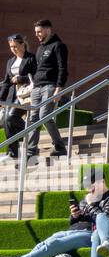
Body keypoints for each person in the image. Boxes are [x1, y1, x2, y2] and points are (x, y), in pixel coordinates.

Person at [28, 19, 69, 157]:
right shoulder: (40, 48)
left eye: (39, 31)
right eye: (36, 32)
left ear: (48, 30)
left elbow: (63, 69)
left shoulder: (59, 46)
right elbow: (38, 69)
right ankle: (30, 150)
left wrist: (59, 88)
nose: (37, 34)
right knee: (33, 118)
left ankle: (59, 146)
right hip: (37, 88)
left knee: (44, 116)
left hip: (50, 86)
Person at [1, 33, 36, 161]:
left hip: (25, 94)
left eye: (15, 46)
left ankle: (31, 131)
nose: (13, 49)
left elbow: (37, 77)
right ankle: (13, 152)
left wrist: (22, 78)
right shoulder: (10, 61)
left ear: (22, 44)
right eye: (11, 47)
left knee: (11, 117)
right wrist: (1, 99)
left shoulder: (31, 58)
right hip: (12, 94)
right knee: (6, 121)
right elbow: (6, 82)